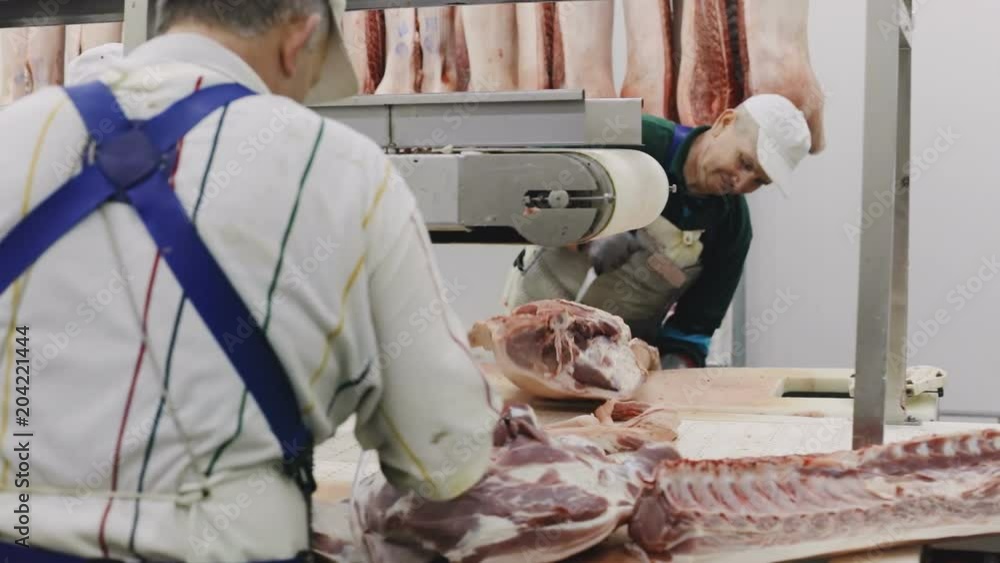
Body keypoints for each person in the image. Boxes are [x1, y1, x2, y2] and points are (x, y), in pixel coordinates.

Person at [0, 1, 500, 561]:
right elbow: (444, 454)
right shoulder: (344, 168)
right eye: (312, 80)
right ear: (299, 39)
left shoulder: (10, 136)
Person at [502, 94, 813, 369]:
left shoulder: (732, 229)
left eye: (759, 181)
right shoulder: (637, 136)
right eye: (745, 162)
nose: (742, 184)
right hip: (527, 334)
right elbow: (529, 191)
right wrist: (587, 233)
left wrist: (674, 371)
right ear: (724, 122)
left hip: (606, 367)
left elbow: (692, 330)